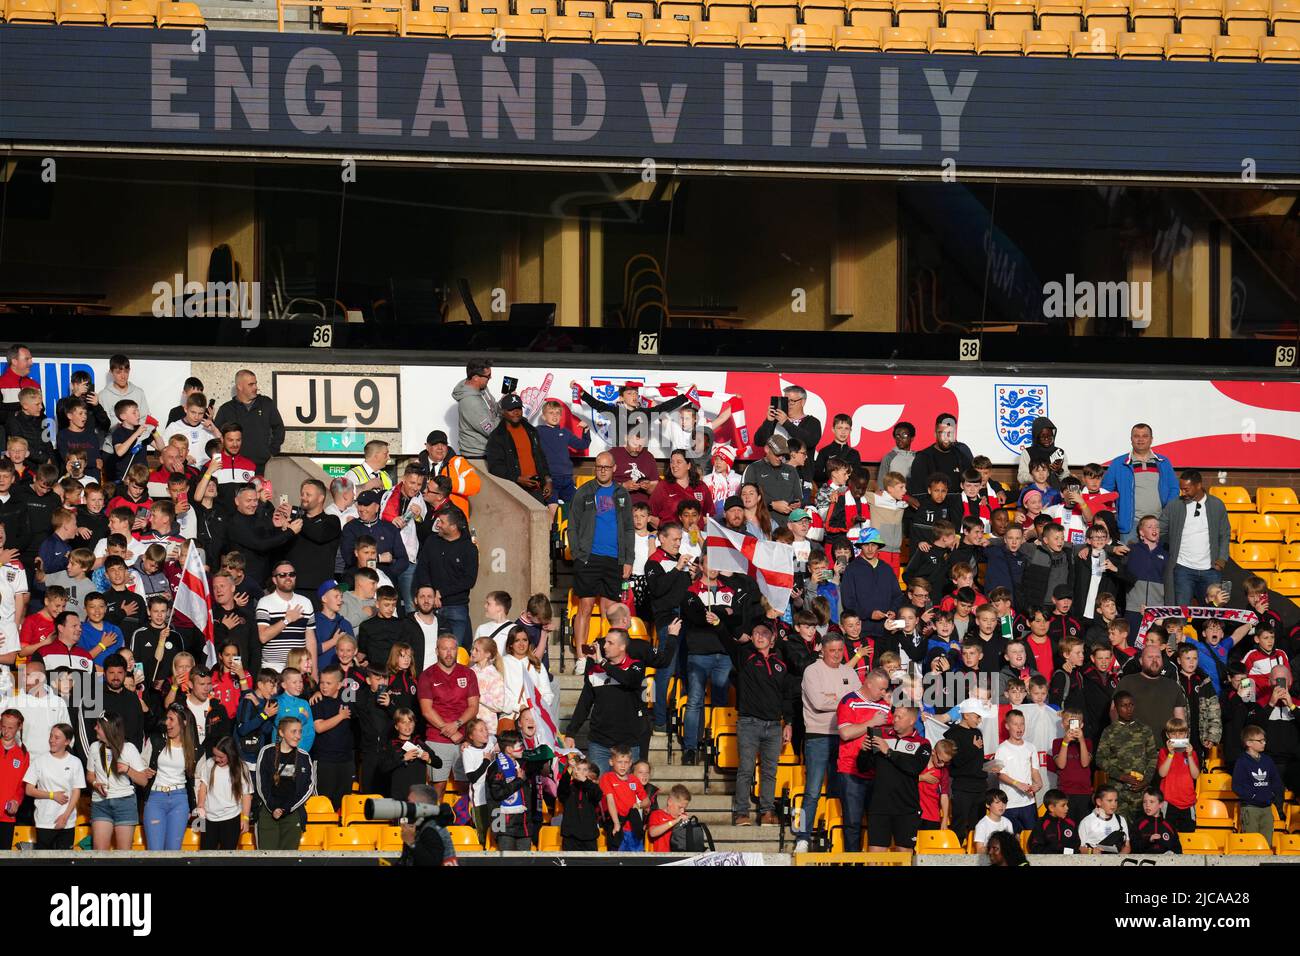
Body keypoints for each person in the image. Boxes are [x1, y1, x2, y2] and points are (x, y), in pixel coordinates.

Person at [717, 621, 795, 826]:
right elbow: (726, 640)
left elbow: (787, 696)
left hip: (774, 725)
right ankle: (741, 812)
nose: (759, 637)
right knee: (746, 769)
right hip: (749, 723)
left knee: (770, 771)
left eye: (764, 634)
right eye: (755, 633)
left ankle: (767, 811)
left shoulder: (781, 662)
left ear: (772, 638)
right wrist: (718, 623)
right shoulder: (744, 656)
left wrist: (788, 722)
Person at [566, 451, 633, 667]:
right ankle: (580, 657)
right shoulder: (584, 492)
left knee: (609, 612)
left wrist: (628, 559)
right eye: (598, 466)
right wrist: (577, 552)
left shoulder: (622, 494)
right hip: (589, 558)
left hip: (614, 559)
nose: (602, 470)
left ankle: (606, 656)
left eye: (606, 467)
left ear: (614, 468)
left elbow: (629, 528)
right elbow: (573, 524)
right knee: (584, 608)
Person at [563, 628, 646, 775]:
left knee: (626, 793)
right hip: (600, 743)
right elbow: (584, 704)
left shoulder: (636, 665)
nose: (605, 646)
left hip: (628, 744)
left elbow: (629, 680)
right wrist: (571, 732)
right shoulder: (595, 671)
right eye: (605, 642)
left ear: (622, 647)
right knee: (599, 790)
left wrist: (603, 663)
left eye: (610, 643)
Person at [417, 634, 480, 800]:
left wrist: (458, 724)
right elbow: (427, 710)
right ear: (437, 651)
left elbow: (473, 707)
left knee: (467, 787)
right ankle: (434, 822)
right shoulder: (427, 675)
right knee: (438, 786)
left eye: (452, 649)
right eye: (444, 649)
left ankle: (464, 821)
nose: (449, 653)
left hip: (465, 740)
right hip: (437, 739)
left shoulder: (468, 674)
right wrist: (452, 732)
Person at [835, 668, 892, 852]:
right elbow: (845, 733)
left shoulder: (885, 705)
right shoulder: (849, 701)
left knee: (877, 823)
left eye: (886, 689)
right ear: (869, 684)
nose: (884, 693)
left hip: (878, 772)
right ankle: (853, 861)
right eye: (881, 689)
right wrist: (871, 723)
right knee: (853, 823)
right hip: (851, 771)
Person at [865, 704, 932, 852]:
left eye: (899, 717)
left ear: (912, 721)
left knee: (905, 858)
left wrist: (889, 752)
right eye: (894, 716)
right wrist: (864, 752)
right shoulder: (881, 737)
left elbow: (914, 767)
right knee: (874, 860)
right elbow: (864, 767)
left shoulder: (923, 744)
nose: (894, 719)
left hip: (906, 809)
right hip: (879, 807)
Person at [1158, 470, 1229, 606]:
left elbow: (1224, 533)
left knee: (1212, 614)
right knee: (1181, 612)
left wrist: (1221, 560)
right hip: (1182, 568)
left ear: (1198, 486)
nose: (1183, 493)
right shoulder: (1174, 505)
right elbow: (1159, 528)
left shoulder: (1217, 505)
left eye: (1186, 489)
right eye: (1181, 489)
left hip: (1211, 569)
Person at [1101, 424, 1180, 540]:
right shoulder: (1119, 463)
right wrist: (1115, 515)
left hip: (1157, 522)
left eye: (1145, 436)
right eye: (1136, 436)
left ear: (1151, 439)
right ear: (1131, 439)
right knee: (1130, 558)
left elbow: (1174, 489)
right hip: (1130, 524)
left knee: (1157, 558)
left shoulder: (1163, 462)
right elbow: (1105, 492)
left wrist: (1166, 514)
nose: (1140, 439)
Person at [142, 703, 199, 850]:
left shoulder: (193, 748)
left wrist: (195, 807)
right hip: (155, 797)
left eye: (171, 719)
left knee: (174, 852)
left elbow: (198, 780)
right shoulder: (156, 740)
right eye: (166, 719)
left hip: (180, 799)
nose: (167, 723)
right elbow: (141, 764)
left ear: (184, 722)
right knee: (155, 852)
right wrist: (144, 770)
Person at [254, 715, 315, 850]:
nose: (298, 736)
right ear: (281, 732)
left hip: (292, 813)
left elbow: (308, 788)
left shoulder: (304, 757)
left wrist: (286, 809)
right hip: (268, 812)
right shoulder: (266, 752)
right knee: (267, 859)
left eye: (300, 731)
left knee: (289, 859)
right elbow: (261, 785)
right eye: (294, 731)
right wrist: (273, 807)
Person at [1095, 690, 1158, 819]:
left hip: (1140, 792)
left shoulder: (1145, 730)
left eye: (1130, 705)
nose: (1128, 709)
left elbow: (1153, 757)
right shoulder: (1109, 732)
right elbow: (1100, 759)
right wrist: (1121, 776)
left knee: (1141, 829)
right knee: (1120, 829)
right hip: (1118, 792)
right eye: (1123, 706)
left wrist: (1146, 780)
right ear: (1116, 708)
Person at [24, 723, 85, 850]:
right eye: (51, 736)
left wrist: (65, 817)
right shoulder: (39, 761)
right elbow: (29, 790)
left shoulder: (75, 762)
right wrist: (52, 795)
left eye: (57, 737)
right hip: (44, 821)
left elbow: (76, 791)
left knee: (65, 862)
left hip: (67, 823)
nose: (52, 740)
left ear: (67, 741)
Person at [485, 393, 552, 505]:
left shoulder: (532, 431)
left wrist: (548, 481)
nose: (516, 412)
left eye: (519, 408)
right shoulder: (497, 436)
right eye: (511, 409)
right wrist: (517, 478)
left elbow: (541, 457)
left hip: (537, 488)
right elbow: (495, 467)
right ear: (503, 412)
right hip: (515, 491)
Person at [213, 370, 283, 475]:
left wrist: (271, 452)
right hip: (236, 467)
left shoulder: (266, 403)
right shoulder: (226, 409)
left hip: (263, 467)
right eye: (251, 384)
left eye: (255, 383)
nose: (255, 387)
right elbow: (218, 437)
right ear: (240, 387)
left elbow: (279, 428)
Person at [1117, 643, 1188, 743]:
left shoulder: (1173, 685)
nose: (1154, 660)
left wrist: (1180, 746)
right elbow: (1114, 712)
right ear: (1141, 661)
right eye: (1150, 657)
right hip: (1135, 748)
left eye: (1158, 657)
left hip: (1167, 748)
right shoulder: (1127, 682)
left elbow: (1180, 719)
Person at [255, 561, 317, 675]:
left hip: (299, 671)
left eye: (291, 574)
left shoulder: (306, 602)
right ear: (274, 580)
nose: (288, 578)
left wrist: (314, 673)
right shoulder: (264, 603)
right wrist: (287, 620)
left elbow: (310, 640)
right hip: (273, 671)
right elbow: (263, 637)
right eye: (282, 575)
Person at [196, 736, 253, 850]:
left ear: (231, 754)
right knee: (206, 856)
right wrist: (200, 806)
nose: (217, 759)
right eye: (215, 755)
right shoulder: (209, 764)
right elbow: (203, 786)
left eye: (221, 756)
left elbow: (247, 795)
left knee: (227, 857)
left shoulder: (242, 768)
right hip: (208, 818)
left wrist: (245, 818)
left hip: (231, 819)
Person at [841, 528, 899, 639]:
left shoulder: (886, 569)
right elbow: (848, 602)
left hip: (887, 629)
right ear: (860, 546)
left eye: (873, 544)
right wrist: (869, 614)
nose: (870, 548)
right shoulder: (851, 569)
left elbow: (897, 596)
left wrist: (893, 610)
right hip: (862, 632)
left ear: (878, 546)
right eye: (866, 544)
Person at [598, 743, 649, 852]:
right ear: (611, 762)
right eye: (619, 762)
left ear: (630, 763)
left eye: (626, 762)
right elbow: (610, 801)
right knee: (618, 859)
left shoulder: (634, 780)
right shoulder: (607, 778)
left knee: (637, 860)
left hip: (634, 827)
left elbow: (647, 801)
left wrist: (639, 804)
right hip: (617, 826)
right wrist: (616, 823)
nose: (623, 766)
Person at [1234, 724, 1282, 840]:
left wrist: (1272, 795)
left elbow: (1276, 781)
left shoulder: (1267, 760)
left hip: (1267, 808)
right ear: (1248, 743)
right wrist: (1253, 796)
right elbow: (1237, 786)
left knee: (1267, 843)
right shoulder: (1242, 762)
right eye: (1260, 740)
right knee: (1251, 842)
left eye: (1264, 740)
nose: (1264, 743)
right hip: (1250, 808)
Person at [1156, 717, 1198, 832]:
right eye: (1173, 734)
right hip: (1169, 802)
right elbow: (1162, 773)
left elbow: (1195, 775)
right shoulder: (1164, 752)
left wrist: (1189, 756)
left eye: (1181, 733)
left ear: (1186, 734)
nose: (1177, 737)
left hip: (1188, 803)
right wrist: (1171, 754)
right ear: (1168, 735)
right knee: (1168, 835)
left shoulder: (1191, 753)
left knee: (1188, 835)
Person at [455, 361, 499, 459]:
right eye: (488, 376)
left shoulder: (482, 389)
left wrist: (504, 403)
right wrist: (505, 414)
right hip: (477, 455)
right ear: (475, 377)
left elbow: (493, 408)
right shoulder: (471, 402)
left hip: (486, 451)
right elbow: (491, 431)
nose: (490, 378)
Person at [0, 709, 29, 850]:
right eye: (3, 726)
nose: (6, 731)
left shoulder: (23, 754)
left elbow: (22, 786)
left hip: (7, 816)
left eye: (10, 727)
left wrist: (16, 801)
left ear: (20, 727)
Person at [1078, 784, 1130, 854]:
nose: (1114, 804)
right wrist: (1092, 851)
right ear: (1099, 802)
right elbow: (1080, 848)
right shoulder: (1087, 822)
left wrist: (1118, 859)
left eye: (1116, 800)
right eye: (1109, 800)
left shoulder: (1121, 820)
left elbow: (1127, 846)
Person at [1028, 790, 1081, 854]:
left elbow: (1076, 845)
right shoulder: (1041, 824)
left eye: (1067, 804)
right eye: (1063, 805)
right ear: (1051, 808)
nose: (1067, 808)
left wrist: (1065, 852)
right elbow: (1035, 848)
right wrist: (1058, 851)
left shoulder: (1071, 823)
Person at [647, 784, 694, 852]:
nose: (682, 811)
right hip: (661, 858)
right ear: (670, 802)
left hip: (679, 857)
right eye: (680, 807)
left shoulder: (682, 816)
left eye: (684, 808)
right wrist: (675, 821)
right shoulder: (656, 814)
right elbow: (652, 833)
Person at [972, 789, 1014, 854]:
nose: (1001, 806)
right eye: (997, 802)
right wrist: (995, 848)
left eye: (1004, 803)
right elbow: (979, 850)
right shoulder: (982, 824)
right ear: (988, 805)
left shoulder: (1008, 822)